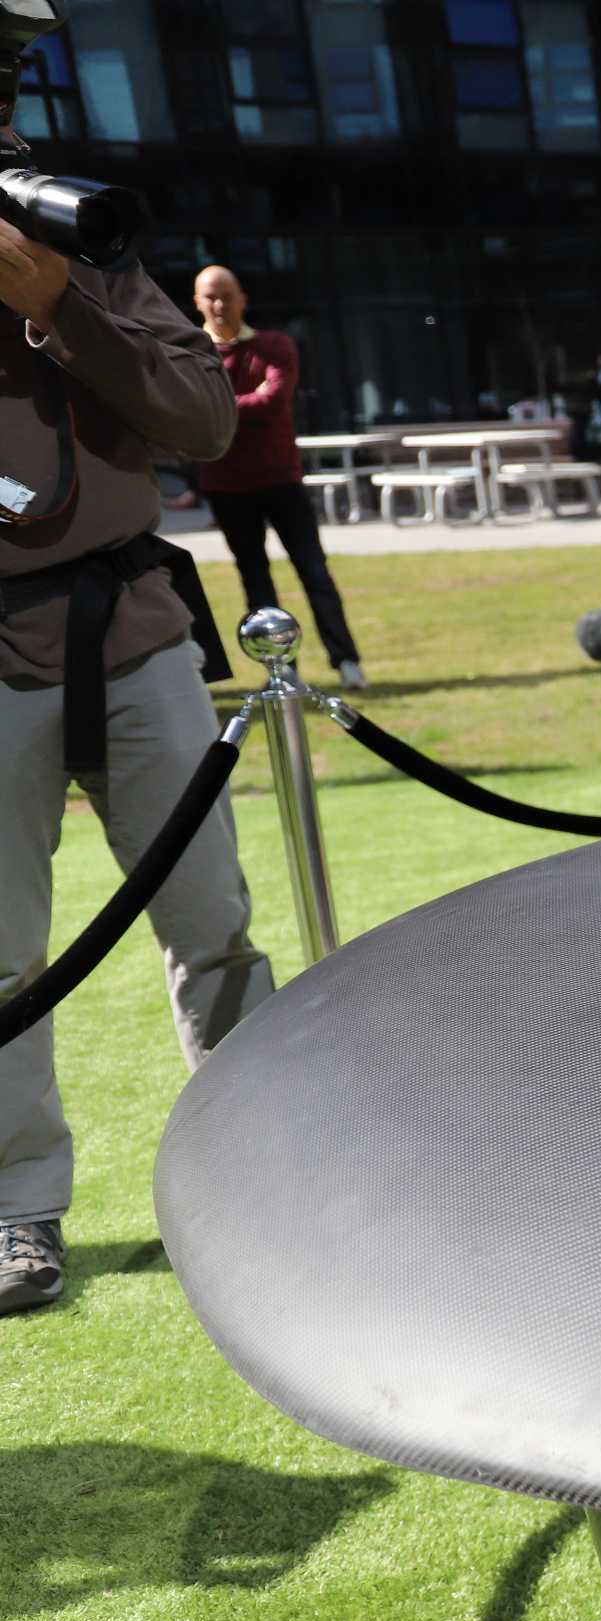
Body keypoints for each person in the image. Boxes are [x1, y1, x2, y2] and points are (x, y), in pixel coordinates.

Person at [1, 105, 268, 1316]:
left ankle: (261, 1173)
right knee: (0, 963)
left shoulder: (86, 252)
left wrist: (61, 304)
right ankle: (15, 1215)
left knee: (209, 918)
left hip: (136, 637)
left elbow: (203, 422)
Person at [189, 265, 366, 692]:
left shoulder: (274, 345)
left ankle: (346, 661)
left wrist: (218, 409)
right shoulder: (193, 354)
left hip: (280, 479)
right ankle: (282, 669)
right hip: (227, 485)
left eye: (226, 295)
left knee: (313, 571)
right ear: (197, 302)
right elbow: (189, 408)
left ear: (242, 299)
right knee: (255, 579)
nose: (218, 304)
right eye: (209, 296)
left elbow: (272, 402)